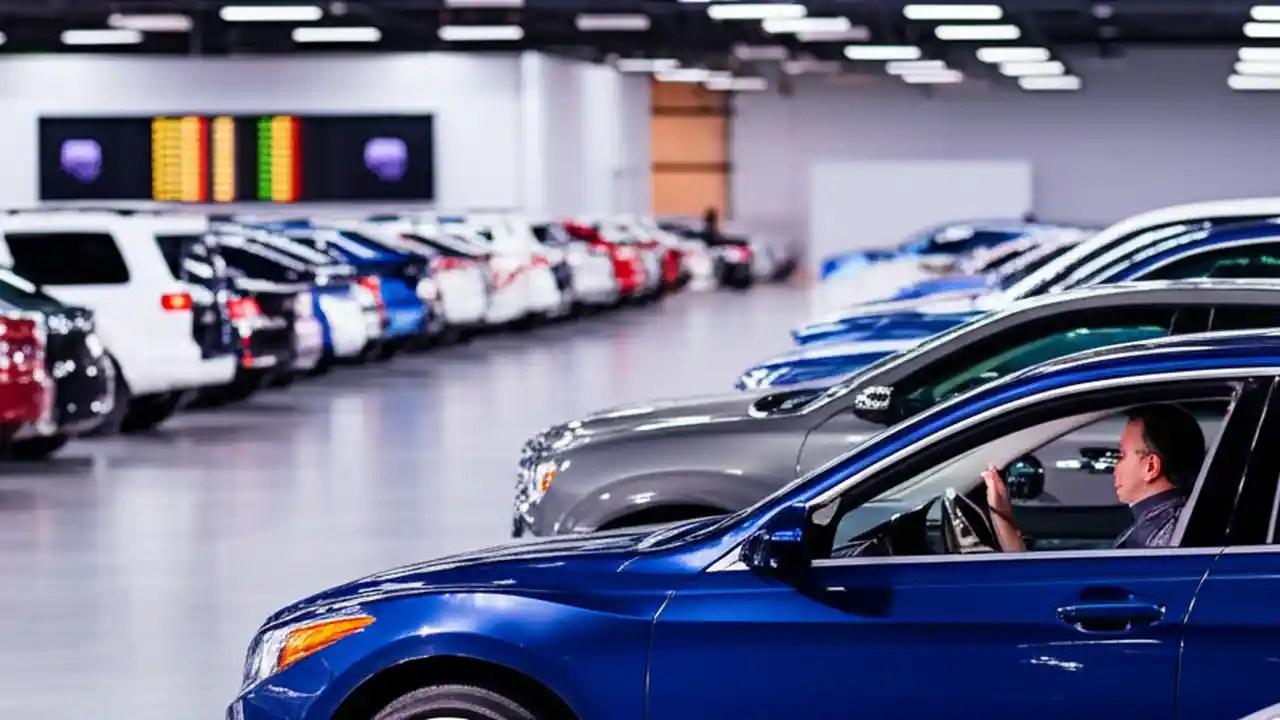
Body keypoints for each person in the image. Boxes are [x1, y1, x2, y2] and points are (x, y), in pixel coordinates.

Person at [983, 403, 1206, 552]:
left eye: (1121, 455)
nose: (1115, 467)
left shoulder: (1155, 537)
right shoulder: (1165, 522)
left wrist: (1001, 516)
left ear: (1150, 467)